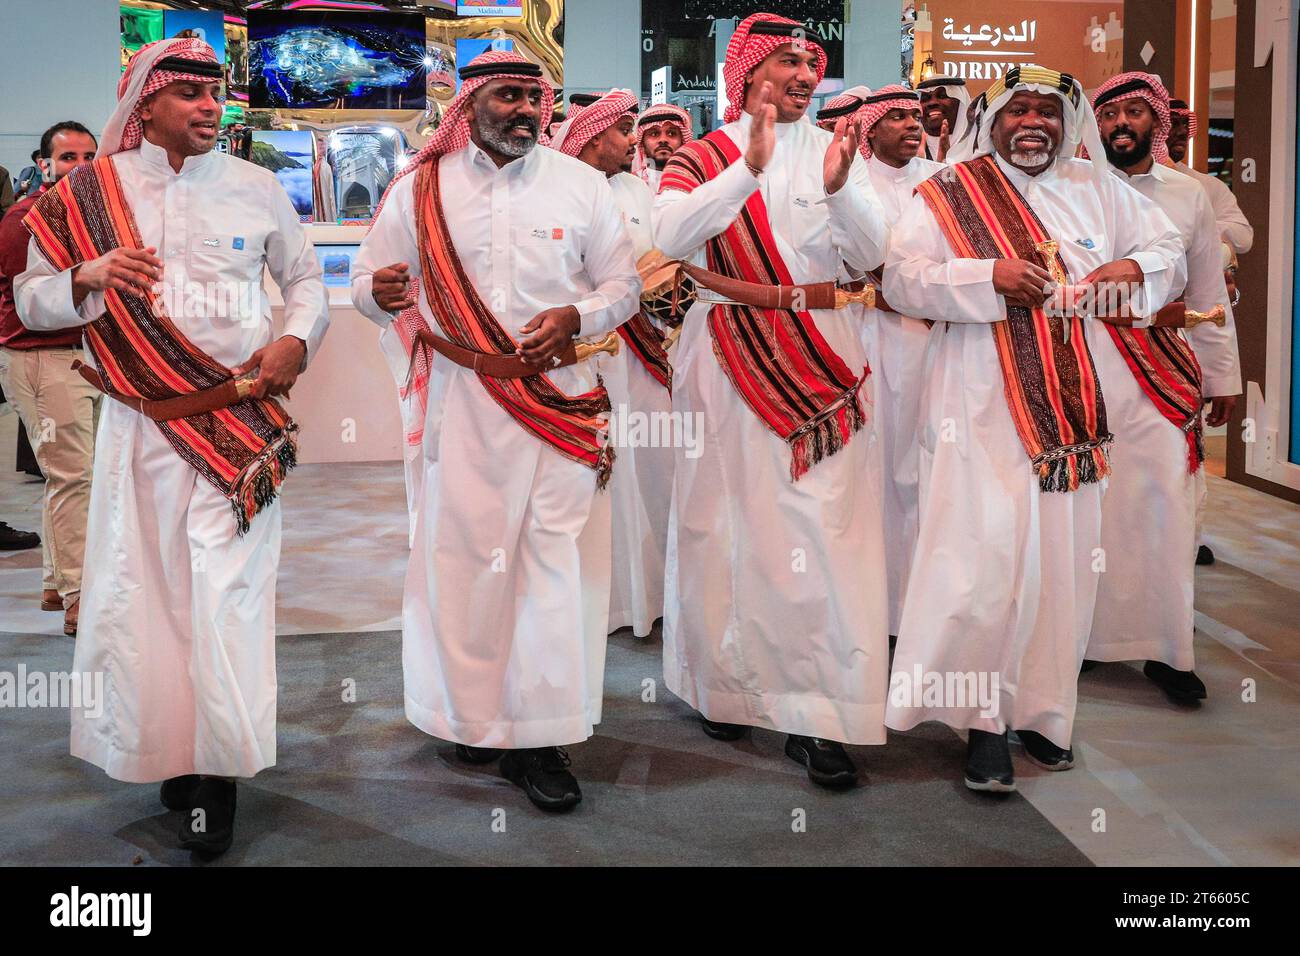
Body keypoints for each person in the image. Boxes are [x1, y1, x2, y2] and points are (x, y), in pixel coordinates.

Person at [15, 37, 329, 855]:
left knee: (228, 597)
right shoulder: (86, 195)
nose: (208, 106)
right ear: (145, 103)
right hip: (138, 431)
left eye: (215, 92)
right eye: (189, 93)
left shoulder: (258, 187)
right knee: (146, 599)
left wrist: (296, 340)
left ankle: (219, 770)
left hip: (237, 431)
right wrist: (84, 278)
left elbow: (305, 282)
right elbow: (32, 300)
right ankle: (168, 751)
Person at [883, 65, 1185, 792]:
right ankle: (982, 721)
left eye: (1047, 112)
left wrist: (1130, 265)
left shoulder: (1096, 186)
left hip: (1071, 405)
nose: (1033, 123)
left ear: (1066, 122)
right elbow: (901, 279)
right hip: (976, 404)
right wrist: (986, 275)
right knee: (983, 563)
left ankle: (1045, 713)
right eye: (1019, 110)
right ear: (993, 120)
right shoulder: (950, 190)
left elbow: (1168, 251)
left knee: (1062, 564)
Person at [351, 51, 640, 812]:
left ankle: (541, 736)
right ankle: (472, 718)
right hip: (465, 403)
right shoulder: (420, 189)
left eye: (534, 98)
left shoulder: (580, 185)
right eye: (508, 95)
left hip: (561, 405)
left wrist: (578, 315)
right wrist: (380, 294)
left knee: (550, 566)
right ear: (470, 102)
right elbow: (364, 283)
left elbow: (625, 287)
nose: (525, 111)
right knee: (468, 565)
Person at [654, 13, 890, 789]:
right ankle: (723, 686)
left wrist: (841, 190)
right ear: (748, 71)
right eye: (786, 60)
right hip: (723, 357)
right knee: (718, 523)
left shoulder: (834, 152)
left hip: (822, 361)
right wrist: (744, 172)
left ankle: (817, 711)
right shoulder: (700, 155)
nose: (802, 74)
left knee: (822, 534)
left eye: (809, 62)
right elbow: (670, 237)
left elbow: (875, 254)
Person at [1087, 72, 1240, 702]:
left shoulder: (1188, 193)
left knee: (1166, 506)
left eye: (1133, 111)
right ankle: (1087, 641)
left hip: (1164, 369)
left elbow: (1206, 292)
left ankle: (1168, 649)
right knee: (1093, 508)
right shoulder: (1073, 187)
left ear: (1157, 121)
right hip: (1086, 361)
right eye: (1108, 114)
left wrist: (1222, 375)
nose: (1121, 123)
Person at [551, 89, 673, 640]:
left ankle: (647, 594)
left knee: (648, 464)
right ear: (593, 137)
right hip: (583, 352)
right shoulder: (560, 188)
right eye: (624, 131)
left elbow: (660, 253)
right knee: (597, 470)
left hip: (642, 350)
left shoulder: (635, 188)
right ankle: (602, 600)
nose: (633, 141)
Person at [0, 121, 101, 637]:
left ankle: (55, 583)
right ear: (44, 165)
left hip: (82, 360)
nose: (79, 168)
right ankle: (80, 595)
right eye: (67, 158)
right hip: (42, 358)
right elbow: (34, 302)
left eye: (88, 157)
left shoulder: (91, 217)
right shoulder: (25, 220)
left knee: (72, 476)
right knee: (73, 477)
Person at [856, 86, 943, 639]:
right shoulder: (850, 182)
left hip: (939, 340)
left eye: (915, 116)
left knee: (928, 469)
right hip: (870, 338)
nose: (913, 124)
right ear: (871, 128)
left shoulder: (944, 179)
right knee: (876, 470)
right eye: (897, 117)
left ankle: (925, 607)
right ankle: (876, 608)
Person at [1167, 100, 1253, 257]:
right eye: (1173, 123)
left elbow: (1243, 237)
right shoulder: (1124, 180)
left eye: (1186, 124)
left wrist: (1196, 229)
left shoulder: (1208, 185)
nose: (1182, 132)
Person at [635, 102, 694, 191]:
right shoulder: (630, 184)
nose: (663, 139)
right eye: (654, 134)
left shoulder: (697, 183)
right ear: (642, 143)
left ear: (683, 141)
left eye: (671, 133)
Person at [916, 75, 970, 163]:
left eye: (942, 96)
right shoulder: (911, 153)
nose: (932, 103)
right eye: (925, 99)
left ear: (960, 105)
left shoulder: (976, 149)